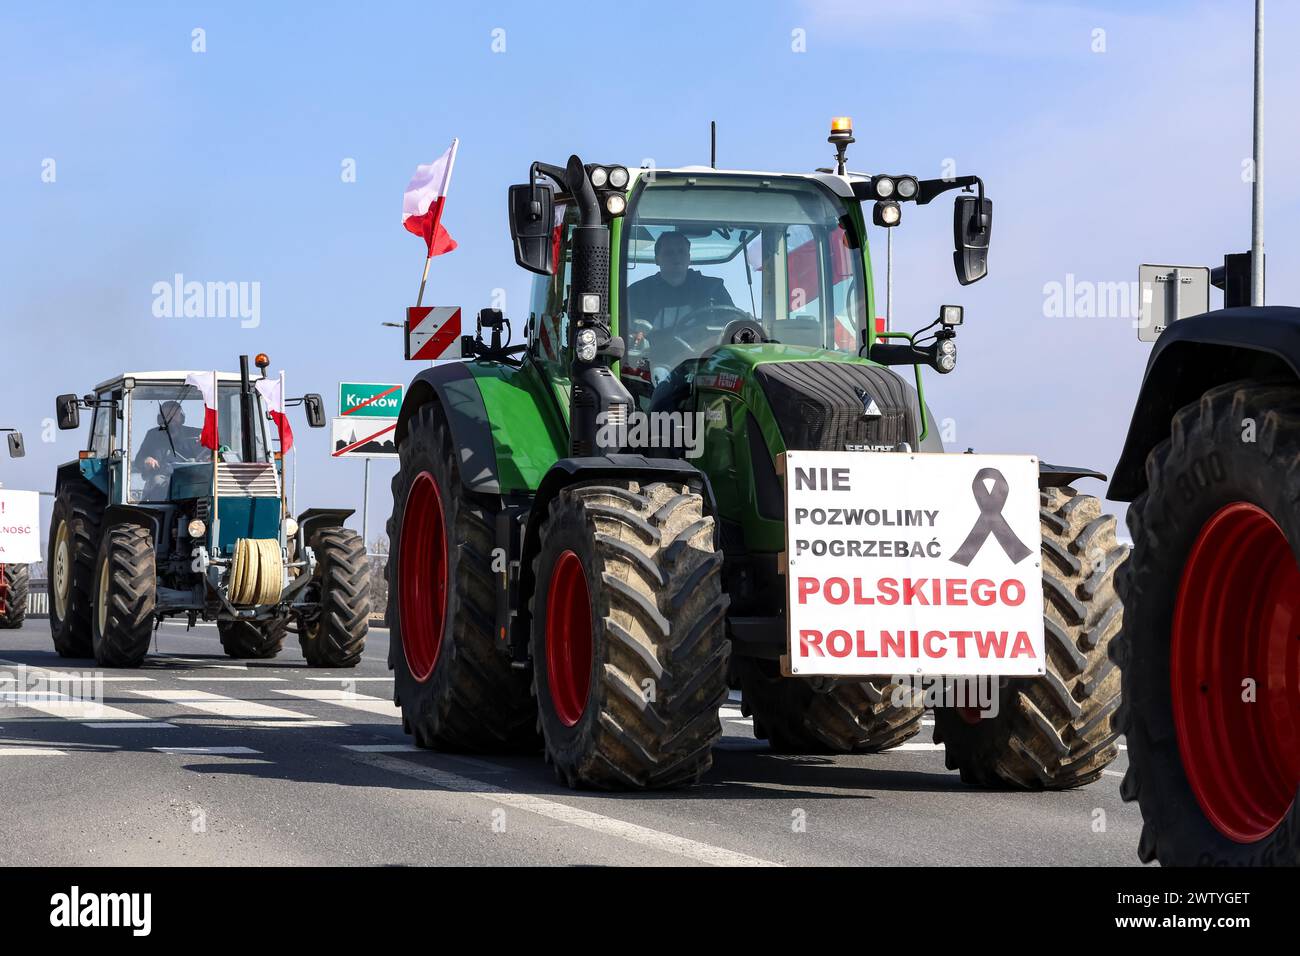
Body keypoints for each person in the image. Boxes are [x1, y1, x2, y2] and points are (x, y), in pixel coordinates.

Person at [626, 230, 734, 330]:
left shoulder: (713, 288)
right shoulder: (637, 293)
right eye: (669, 253)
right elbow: (625, 332)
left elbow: (733, 325)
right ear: (657, 259)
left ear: (689, 258)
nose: (676, 257)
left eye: (681, 252)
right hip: (652, 351)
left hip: (707, 350)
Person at [134, 401, 204, 497]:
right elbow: (138, 460)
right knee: (157, 481)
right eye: (166, 415)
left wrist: (207, 447)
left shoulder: (196, 435)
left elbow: (209, 455)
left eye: (174, 415)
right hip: (160, 484)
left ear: (181, 417)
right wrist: (146, 460)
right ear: (160, 418)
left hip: (190, 481)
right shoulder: (152, 435)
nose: (171, 419)